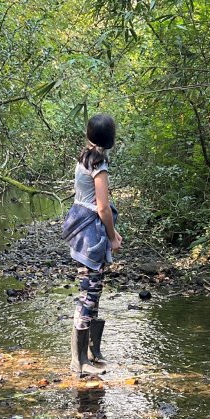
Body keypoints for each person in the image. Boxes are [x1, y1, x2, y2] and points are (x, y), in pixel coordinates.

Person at [61, 114, 121, 375]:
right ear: (111, 139)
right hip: (91, 235)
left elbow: (90, 202)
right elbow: (103, 207)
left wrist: (111, 231)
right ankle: (80, 361)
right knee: (89, 294)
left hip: (81, 231)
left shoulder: (85, 156)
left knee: (93, 290)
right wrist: (112, 237)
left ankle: (91, 352)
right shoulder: (99, 164)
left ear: (89, 135)